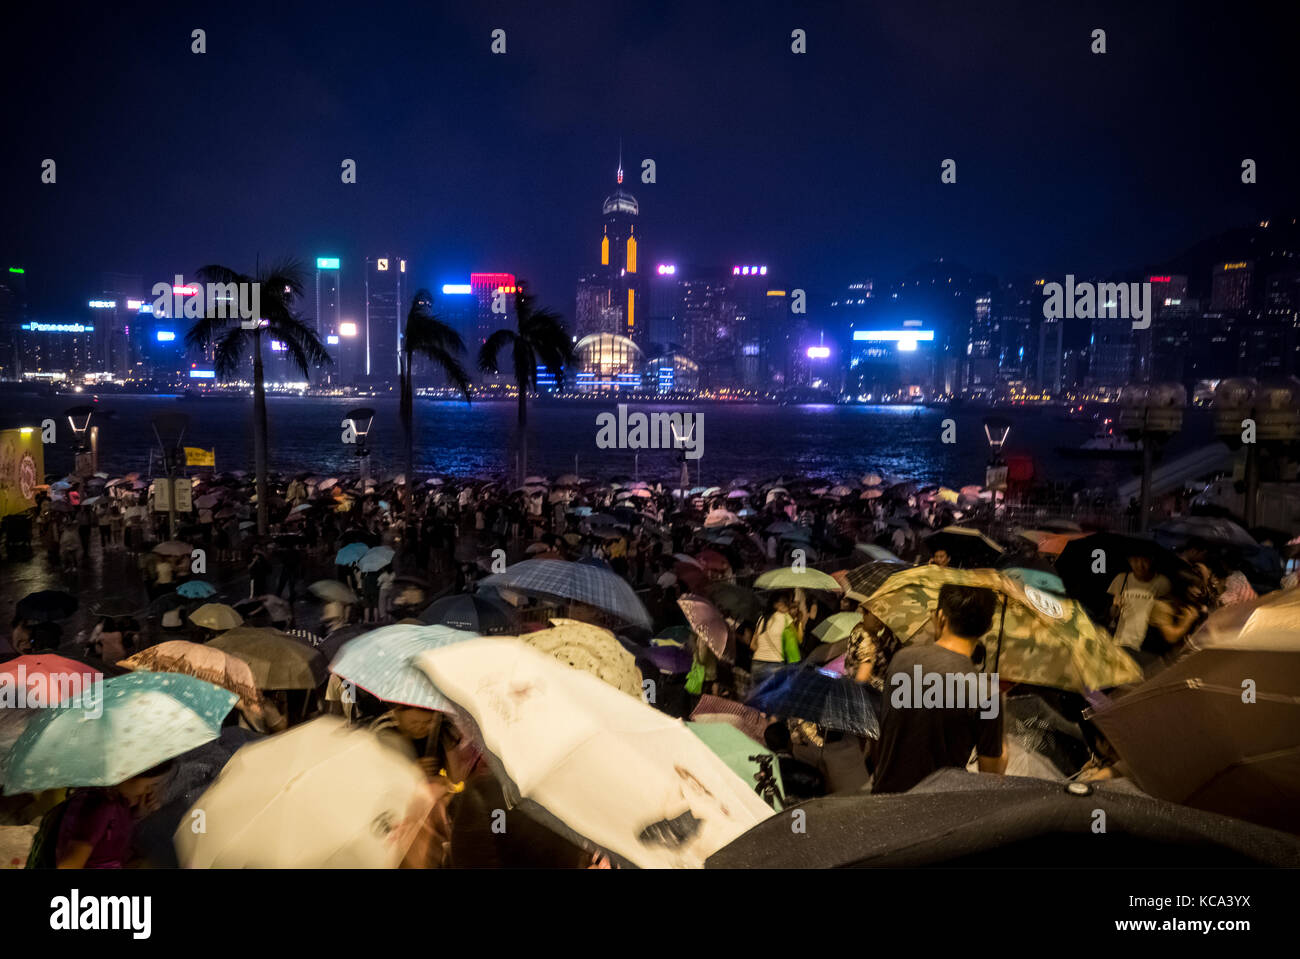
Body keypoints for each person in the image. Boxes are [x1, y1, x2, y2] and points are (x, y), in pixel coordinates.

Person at [872, 584, 1006, 794]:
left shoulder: (902, 659)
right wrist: (1001, 737)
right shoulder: (986, 692)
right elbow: (991, 779)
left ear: (941, 617)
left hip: (884, 798)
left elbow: (887, 732)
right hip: (937, 814)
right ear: (987, 627)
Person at [49, 762, 173, 868]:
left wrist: (140, 813)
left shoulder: (119, 801)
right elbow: (69, 864)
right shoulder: (97, 806)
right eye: (148, 785)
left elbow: (113, 835)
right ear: (127, 775)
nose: (149, 791)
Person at [1108, 548, 1171, 651]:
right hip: (1120, 641)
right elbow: (1112, 614)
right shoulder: (1121, 579)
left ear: (1151, 560)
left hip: (1147, 646)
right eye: (1135, 560)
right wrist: (1115, 605)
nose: (1140, 565)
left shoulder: (1162, 583)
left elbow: (1165, 615)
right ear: (1129, 561)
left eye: (1144, 560)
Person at [750, 592, 794, 687]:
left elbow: (752, 645)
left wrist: (764, 652)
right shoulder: (787, 618)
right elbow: (793, 644)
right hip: (775, 665)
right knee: (772, 699)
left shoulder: (762, 619)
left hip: (757, 663)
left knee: (754, 699)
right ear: (779, 605)